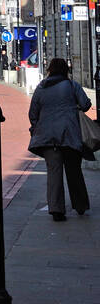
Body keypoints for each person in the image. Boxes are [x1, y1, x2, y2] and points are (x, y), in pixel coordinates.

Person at [28, 57, 91, 221]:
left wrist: (38, 126)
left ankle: (56, 209)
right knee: (74, 171)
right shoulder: (71, 85)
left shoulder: (41, 87)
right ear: (65, 70)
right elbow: (85, 104)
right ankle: (80, 205)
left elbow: (32, 113)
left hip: (48, 137)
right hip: (70, 134)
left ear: (50, 69)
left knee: (53, 172)